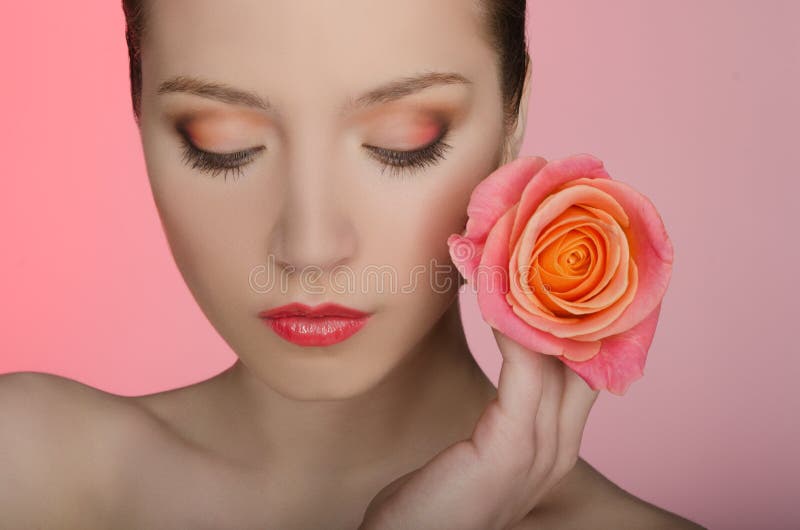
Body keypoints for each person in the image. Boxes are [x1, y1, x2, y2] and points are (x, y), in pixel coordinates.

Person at [0, 1, 705, 528]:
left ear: (511, 118)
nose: (309, 248)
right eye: (222, 142)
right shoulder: (25, 465)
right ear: (138, 114)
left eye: (404, 142)